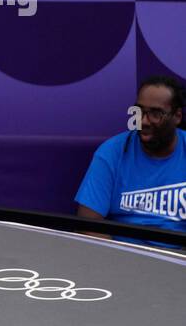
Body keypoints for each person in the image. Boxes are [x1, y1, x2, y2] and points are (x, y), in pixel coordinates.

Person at [75, 75, 186, 244]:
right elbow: (87, 225)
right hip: (124, 257)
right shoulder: (112, 151)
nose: (143, 121)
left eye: (156, 114)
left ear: (177, 116)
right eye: (139, 111)